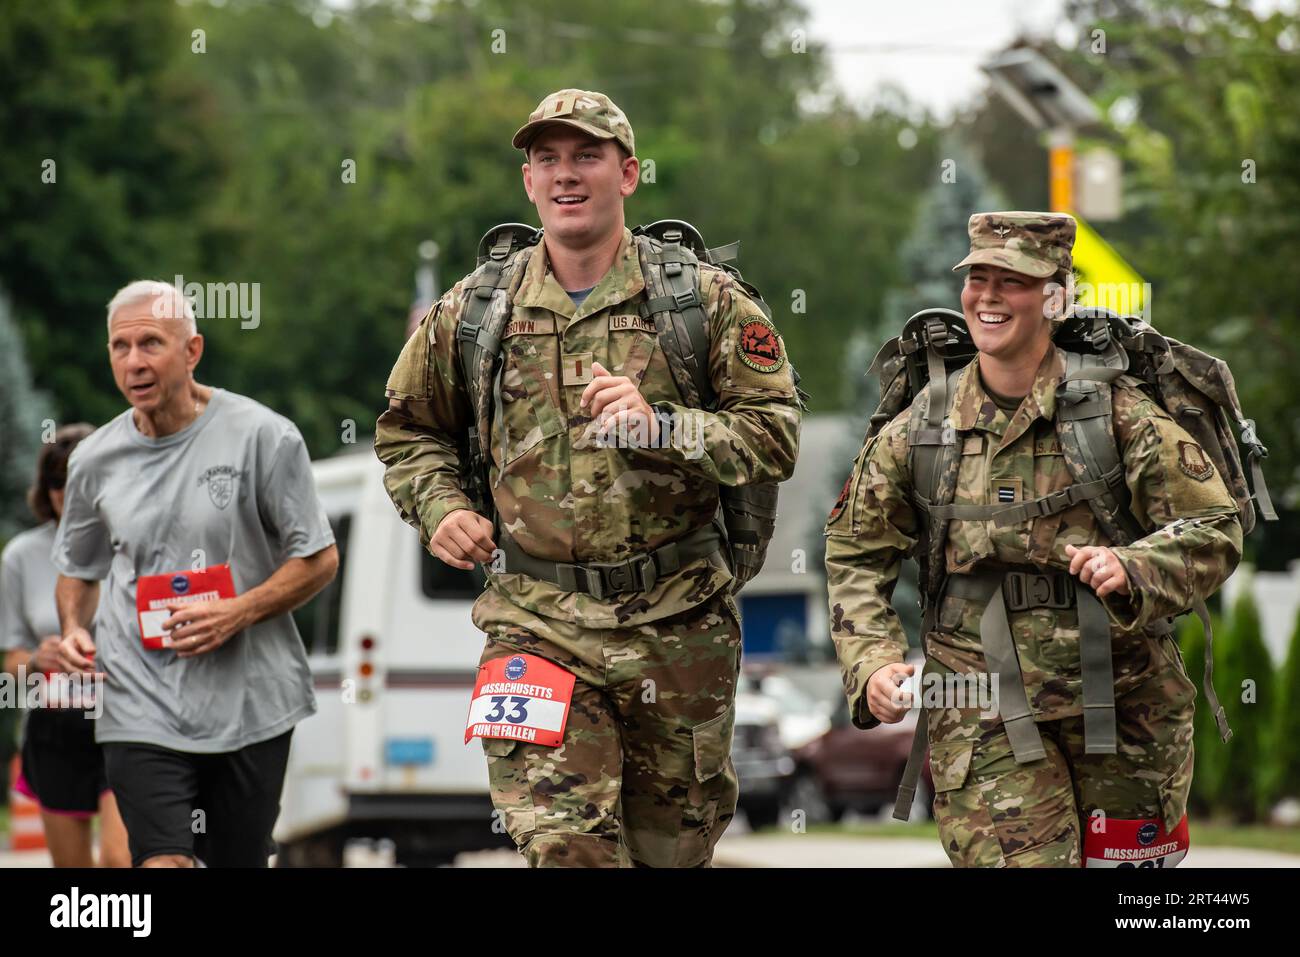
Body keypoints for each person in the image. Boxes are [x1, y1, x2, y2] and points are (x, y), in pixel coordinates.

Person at [375, 89, 802, 867]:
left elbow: (774, 437)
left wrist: (663, 426)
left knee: (670, 854)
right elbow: (410, 431)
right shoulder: (475, 311)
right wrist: (440, 508)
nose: (565, 174)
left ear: (628, 174)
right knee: (565, 846)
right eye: (547, 159)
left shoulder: (701, 302)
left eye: (586, 156)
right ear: (529, 182)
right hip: (534, 620)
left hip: (678, 626)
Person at [824, 212, 1243, 867]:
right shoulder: (923, 429)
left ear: (1055, 298)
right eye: (978, 278)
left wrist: (1136, 566)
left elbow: (1215, 527)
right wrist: (872, 659)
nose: (987, 296)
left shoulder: (1118, 415)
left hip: (1123, 705)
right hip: (980, 702)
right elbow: (856, 550)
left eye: (1012, 281)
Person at [52, 280, 338, 868]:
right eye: (121, 347)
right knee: (162, 861)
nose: (134, 362)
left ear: (192, 351)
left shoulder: (263, 436)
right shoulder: (94, 460)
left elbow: (319, 559)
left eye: (151, 343)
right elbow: (78, 569)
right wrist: (73, 628)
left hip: (250, 702)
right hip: (137, 699)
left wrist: (239, 611)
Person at [0, 424, 129, 867]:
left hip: (126, 717)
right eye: (57, 482)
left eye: (78, 480)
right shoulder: (21, 556)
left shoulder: (131, 541)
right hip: (55, 724)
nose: (66, 493)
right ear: (44, 488)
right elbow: (11, 664)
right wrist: (38, 659)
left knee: (119, 858)